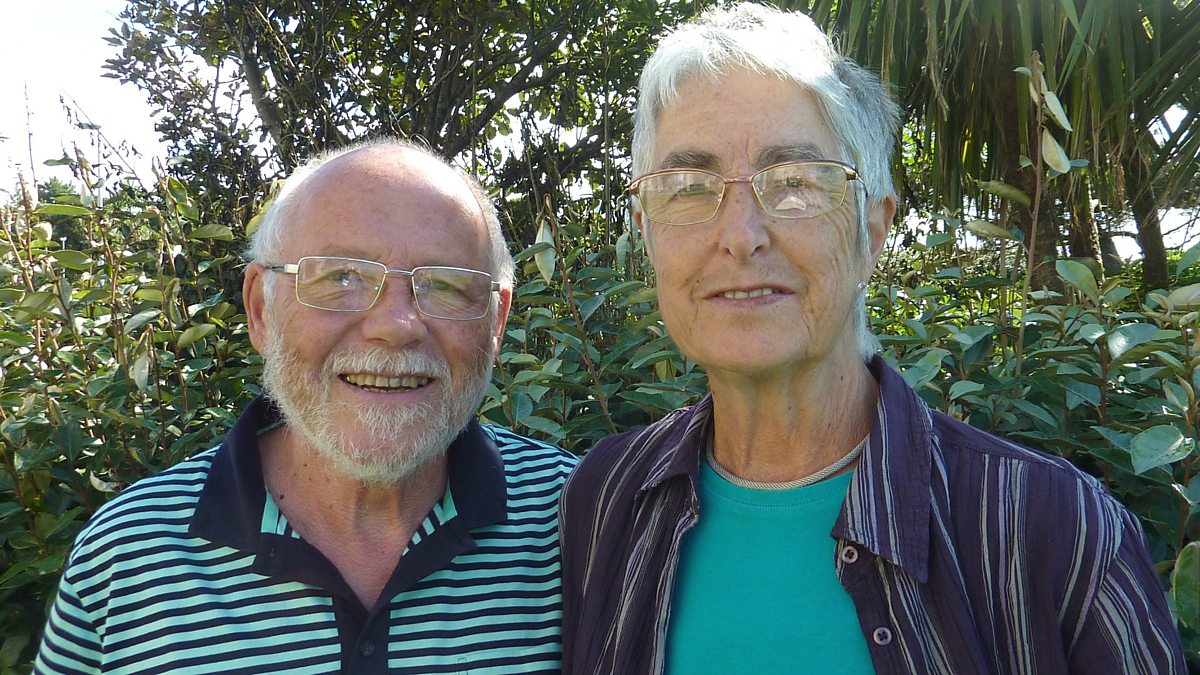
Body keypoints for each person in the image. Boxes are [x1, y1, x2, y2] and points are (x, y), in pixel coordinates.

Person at [558, 4, 1185, 674]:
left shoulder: (1056, 532)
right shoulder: (609, 499)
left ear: (873, 230)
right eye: (688, 187)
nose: (741, 234)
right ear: (646, 231)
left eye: (795, 183)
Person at [36, 138, 577, 674]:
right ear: (260, 310)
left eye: (445, 286)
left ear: (497, 322)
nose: (395, 326)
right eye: (340, 277)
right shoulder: (127, 552)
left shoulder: (584, 521)